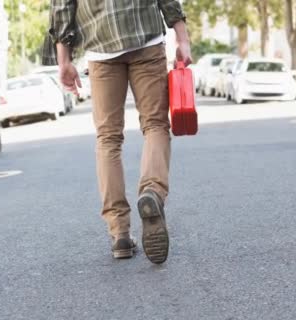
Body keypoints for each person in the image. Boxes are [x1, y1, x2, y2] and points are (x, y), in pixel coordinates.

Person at [43, 1, 192, 264]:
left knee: (108, 138)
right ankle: (152, 192)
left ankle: (119, 233)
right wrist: (181, 37)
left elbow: (62, 7)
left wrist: (63, 59)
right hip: (145, 37)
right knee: (155, 125)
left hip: (101, 49)